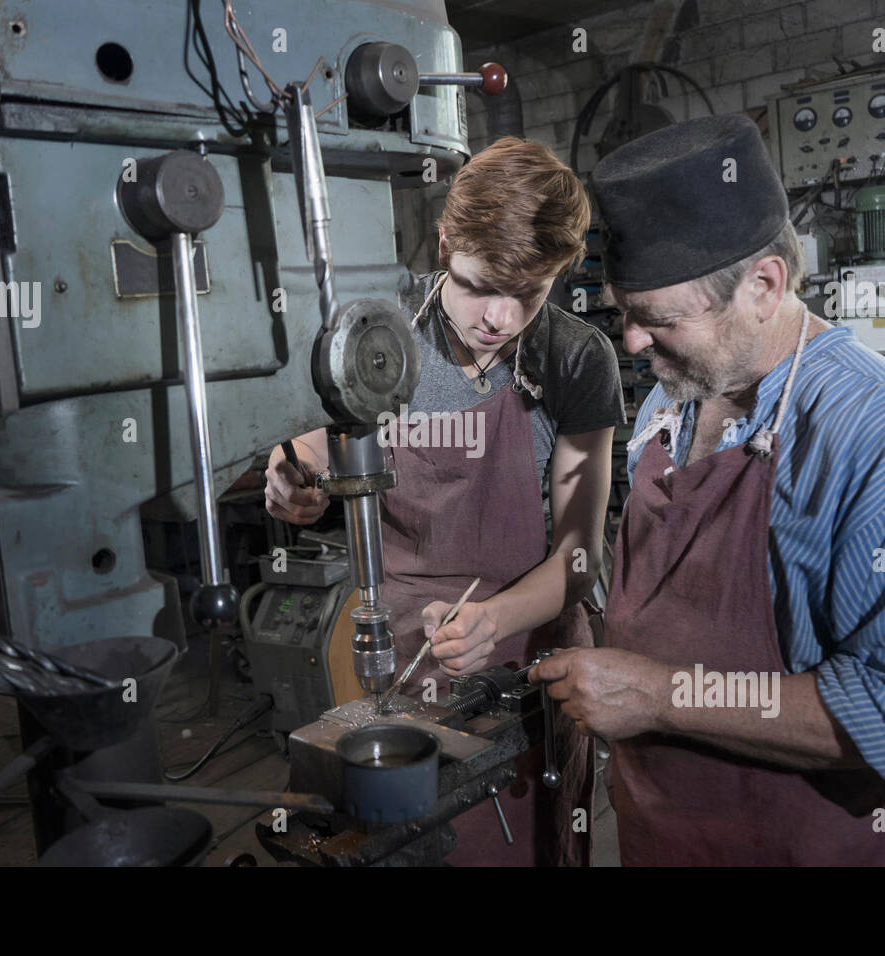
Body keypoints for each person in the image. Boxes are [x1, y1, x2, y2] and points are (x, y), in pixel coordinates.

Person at [530, 114, 885, 866]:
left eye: (658, 319)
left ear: (763, 287)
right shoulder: (671, 398)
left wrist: (660, 695)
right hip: (656, 834)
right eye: (624, 315)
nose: (634, 344)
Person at [265, 137, 625, 865]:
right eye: (478, 284)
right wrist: (292, 470)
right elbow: (324, 436)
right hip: (402, 649)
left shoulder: (575, 358)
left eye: (527, 293)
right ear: (445, 241)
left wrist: (494, 619)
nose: (498, 316)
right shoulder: (383, 334)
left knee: (529, 842)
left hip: (531, 651)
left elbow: (581, 556)